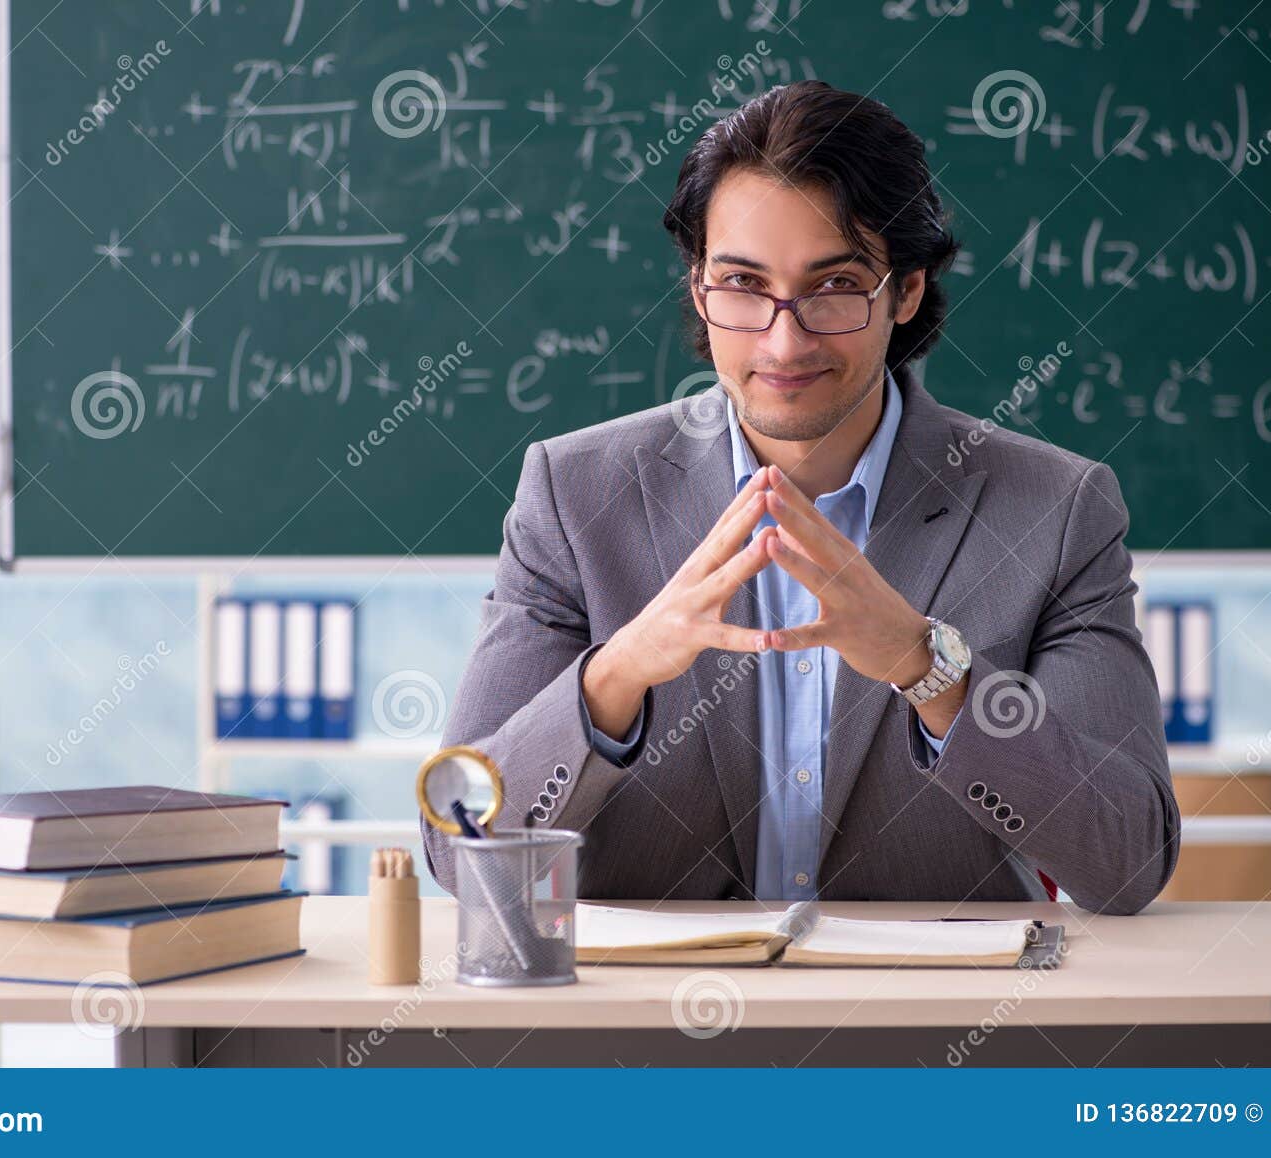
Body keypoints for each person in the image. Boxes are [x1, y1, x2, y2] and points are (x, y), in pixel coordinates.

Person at [420, 81, 1179, 914]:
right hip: (645, 1034)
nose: (785, 341)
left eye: (834, 287)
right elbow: (461, 857)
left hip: (933, 1030)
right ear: (700, 289)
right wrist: (622, 671)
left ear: (908, 290)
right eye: (743, 284)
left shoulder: (1055, 510)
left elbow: (1127, 863)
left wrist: (930, 671)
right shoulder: (574, 496)